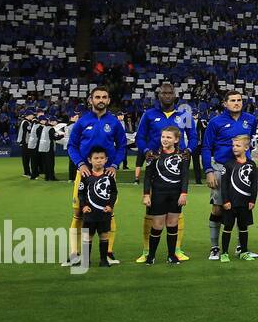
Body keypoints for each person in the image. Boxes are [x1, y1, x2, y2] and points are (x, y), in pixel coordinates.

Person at [136, 82, 196, 263]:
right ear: (159, 95)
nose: (167, 95)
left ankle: (176, 249)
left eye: (170, 93)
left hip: (177, 166)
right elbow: (140, 137)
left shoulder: (184, 114)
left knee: (176, 212)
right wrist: (146, 150)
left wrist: (190, 150)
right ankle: (147, 251)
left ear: (175, 95)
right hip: (156, 166)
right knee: (152, 212)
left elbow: (193, 136)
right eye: (164, 93)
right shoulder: (149, 115)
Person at [67, 86, 128, 265]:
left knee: (109, 211)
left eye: (104, 97)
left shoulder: (115, 122)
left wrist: (115, 165)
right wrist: (80, 164)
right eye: (97, 97)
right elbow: (72, 146)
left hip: (106, 176)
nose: (101, 100)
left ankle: (108, 252)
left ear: (108, 100)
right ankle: (74, 253)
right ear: (90, 100)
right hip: (85, 174)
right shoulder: (82, 121)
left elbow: (122, 146)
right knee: (79, 212)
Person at [202, 90, 257, 261]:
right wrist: (208, 170)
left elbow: (250, 143)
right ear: (225, 103)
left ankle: (242, 247)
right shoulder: (215, 122)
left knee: (241, 207)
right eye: (232, 100)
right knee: (218, 207)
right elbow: (206, 147)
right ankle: (215, 247)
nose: (236, 103)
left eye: (239, 100)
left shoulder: (250, 120)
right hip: (221, 169)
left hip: (242, 171)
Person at [140, 126, 190, 265]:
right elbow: (147, 177)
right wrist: (146, 195)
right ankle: (151, 256)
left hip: (175, 194)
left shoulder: (183, 155)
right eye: (163, 137)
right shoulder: (153, 154)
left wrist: (184, 193)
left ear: (176, 139)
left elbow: (185, 176)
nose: (165, 140)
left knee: (172, 224)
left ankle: (171, 255)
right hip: (158, 194)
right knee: (157, 225)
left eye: (169, 137)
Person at [218, 134, 258, 262]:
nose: (234, 148)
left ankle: (244, 251)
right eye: (233, 145)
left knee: (243, 227)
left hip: (245, 203)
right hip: (231, 203)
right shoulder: (228, 164)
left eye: (238, 145)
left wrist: (252, 200)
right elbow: (224, 185)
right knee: (228, 227)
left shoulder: (252, 164)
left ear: (246, 148)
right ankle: (224, 253)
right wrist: (225, 200)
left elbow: (254, 185)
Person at [77, 146, 117, 268]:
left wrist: (110, 206)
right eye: (96, 158)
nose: (99, 160)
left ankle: (103, 260)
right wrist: (83, 207)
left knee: (104, 235)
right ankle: (85, 261)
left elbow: (114, 192)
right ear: (90, 160)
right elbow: (81, 193)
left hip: (104, 212)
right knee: (87, 236)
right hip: (90, 213)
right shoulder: (86, 175)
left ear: (106, 160)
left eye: (101, 158)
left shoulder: (109, 175)